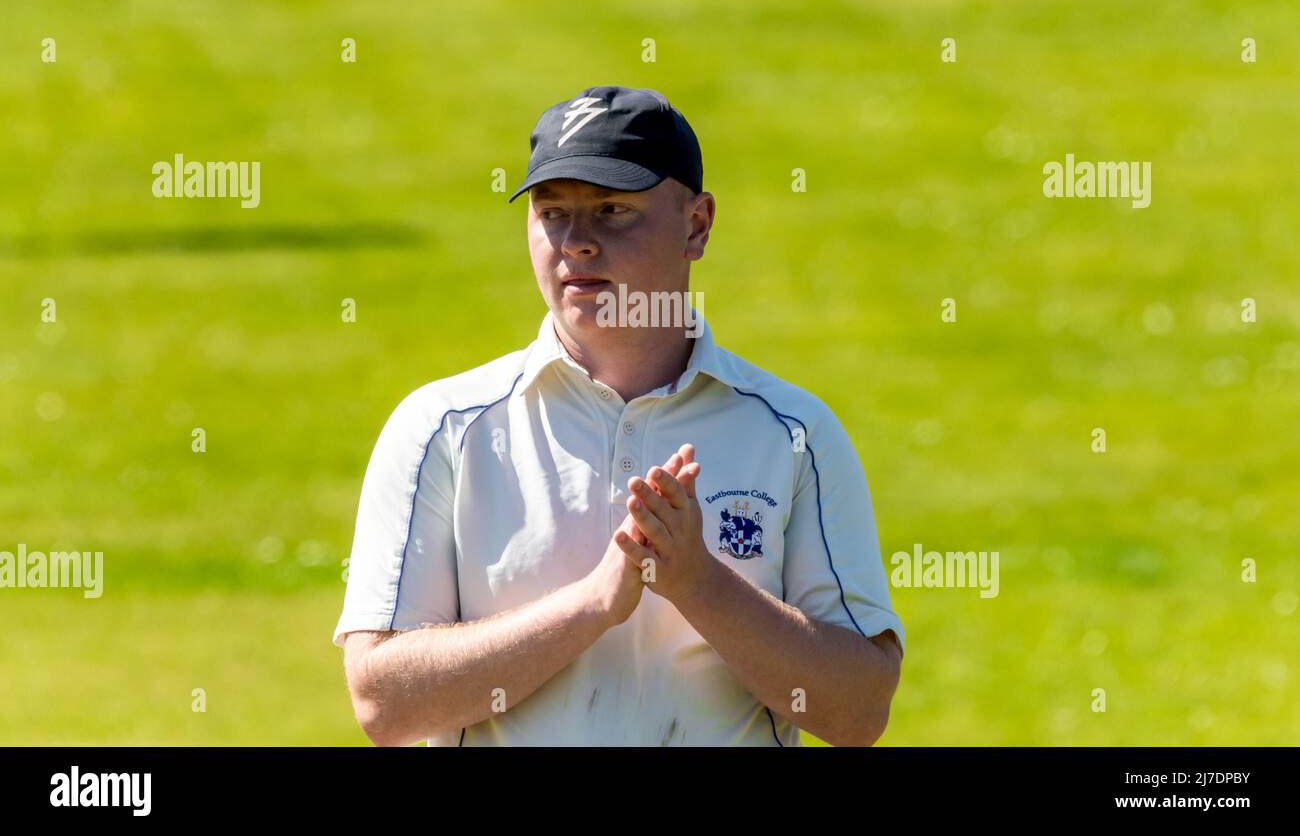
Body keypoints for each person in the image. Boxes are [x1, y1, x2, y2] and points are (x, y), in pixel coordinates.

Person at [334, 84, 904, 746]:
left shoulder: (793, 434)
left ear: (698, 225)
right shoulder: (444, 429)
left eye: (612, 211)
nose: (576, 242)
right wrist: (591, 606)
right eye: (552, 213)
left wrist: (700, 585)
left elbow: (859, 712)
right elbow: (383, 704)